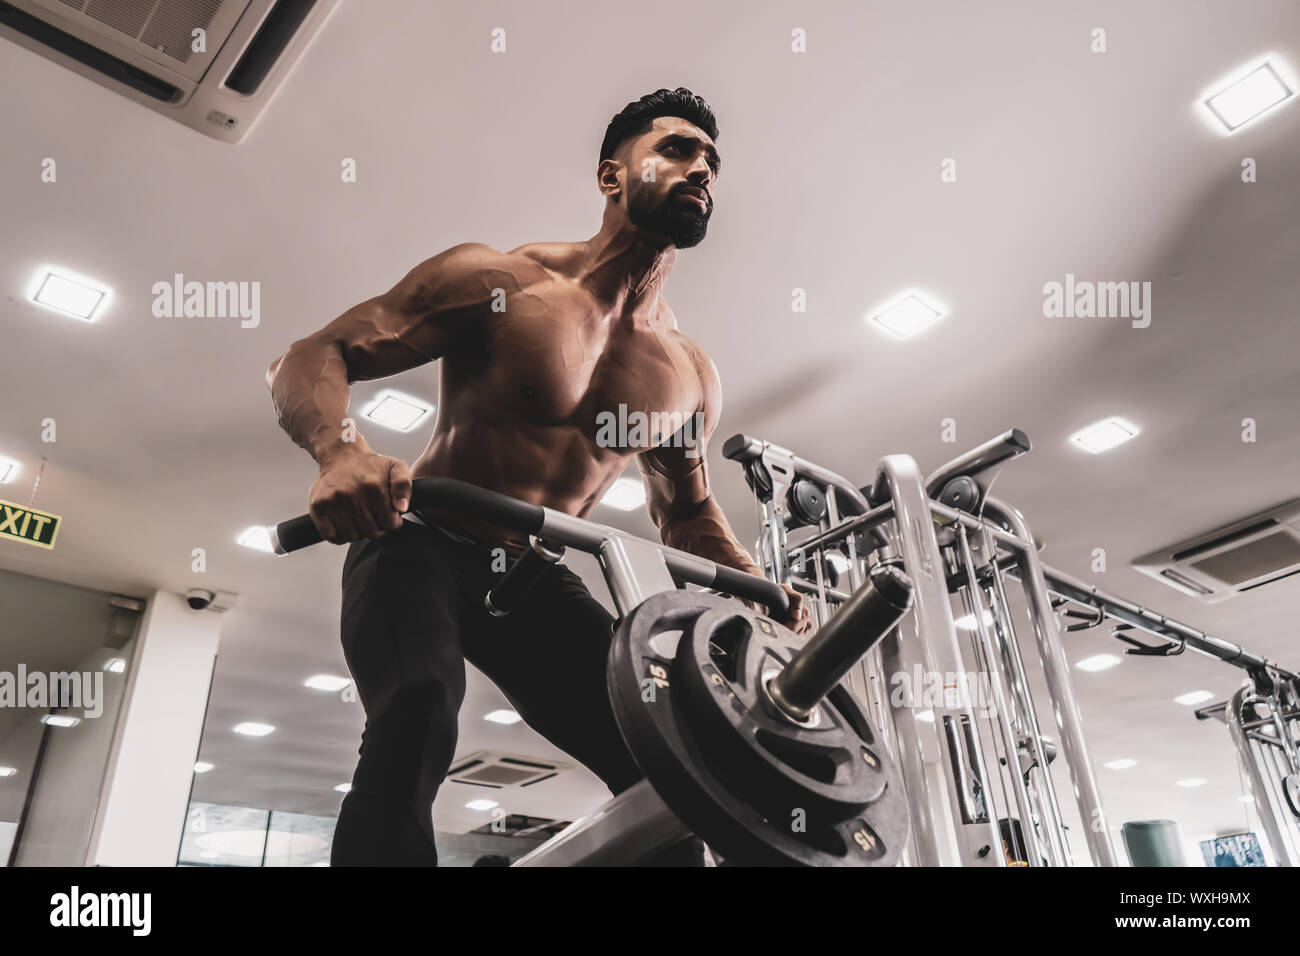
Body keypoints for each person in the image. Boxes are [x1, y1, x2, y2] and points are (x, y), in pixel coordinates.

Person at [266, 87, 808, 866]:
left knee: (667, 765)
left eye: (713, 162)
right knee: (416, 710)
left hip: (530, 574)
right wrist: (342, 451)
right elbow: (311, 355)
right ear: (610, 176)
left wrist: (756, 587)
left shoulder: (688, 372)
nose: (702, 171)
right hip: (419, 541)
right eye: (678, 149)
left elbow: (686, 513)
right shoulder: (502, 283)